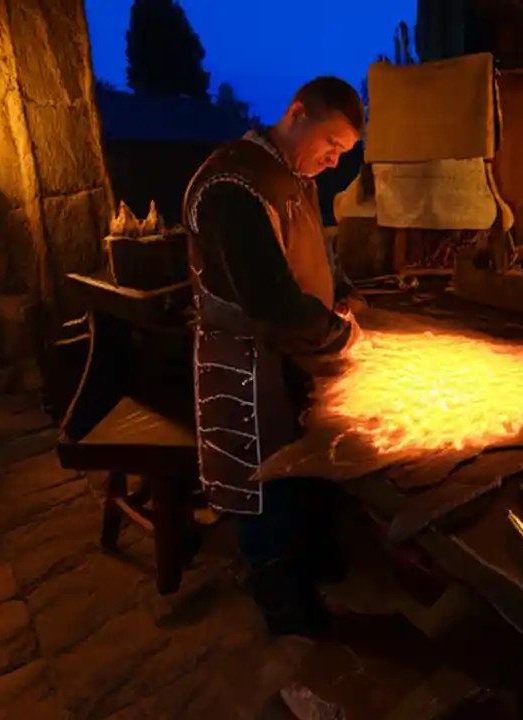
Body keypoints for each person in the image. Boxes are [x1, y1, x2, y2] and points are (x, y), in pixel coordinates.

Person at [182, 76, 366, 636]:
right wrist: (339, 334)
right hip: (246, 360)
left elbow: (314, 251)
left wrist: (346, 291)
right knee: (265, 484)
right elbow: (269, 298)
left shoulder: (293, 176)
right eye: (331, 145)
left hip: (294, 353)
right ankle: (283, 601)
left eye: (343, 153)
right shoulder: (233, 183)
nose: (333, 162)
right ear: (297, 113)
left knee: (306, 466)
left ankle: (313, 564)